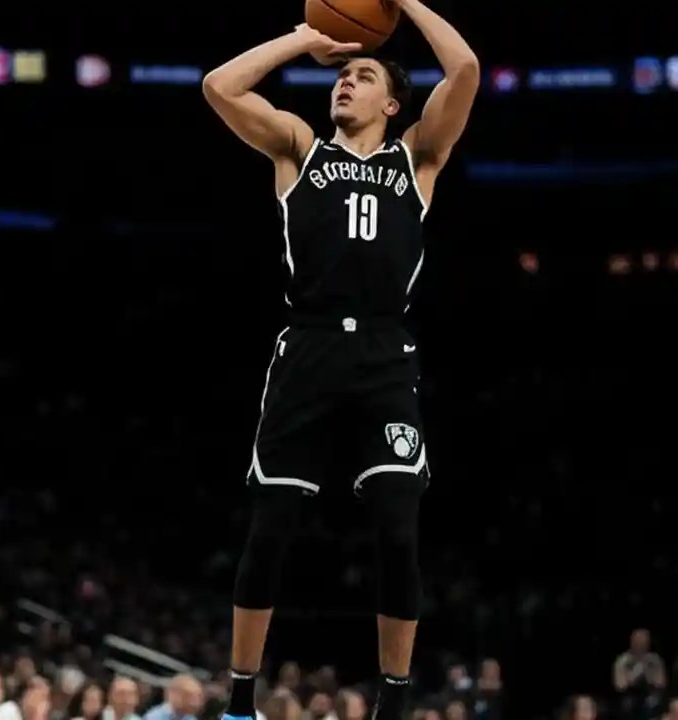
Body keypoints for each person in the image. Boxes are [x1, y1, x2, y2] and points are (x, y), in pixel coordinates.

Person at [201, 3, 479, 720]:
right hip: (309, 346)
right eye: (341, 75)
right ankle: (240, 701)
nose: (345, 83)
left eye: (363, 76)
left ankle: (393, 703)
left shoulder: (416, 158)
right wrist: (301, 40)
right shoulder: (300, 148)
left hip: (385, 353)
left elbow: (465, 69)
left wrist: (406, 1)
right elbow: (219, 86)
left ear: (392, 104)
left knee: (397, 530)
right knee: (272, 527)